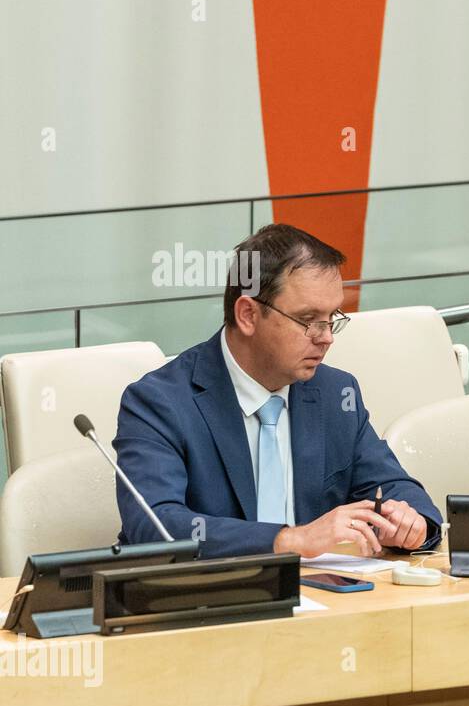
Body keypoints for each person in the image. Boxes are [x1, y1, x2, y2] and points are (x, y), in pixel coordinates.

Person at [114, 224, 442, 558]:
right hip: (209, 600)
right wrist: (289, 540)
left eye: (332, 318)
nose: (326, 336)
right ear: (248, 315)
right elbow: (154, 525)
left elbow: (392, 487)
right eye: (309, 319)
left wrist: (411, 523)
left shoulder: (336, 393)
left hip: (328, 598)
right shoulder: (160, 402)